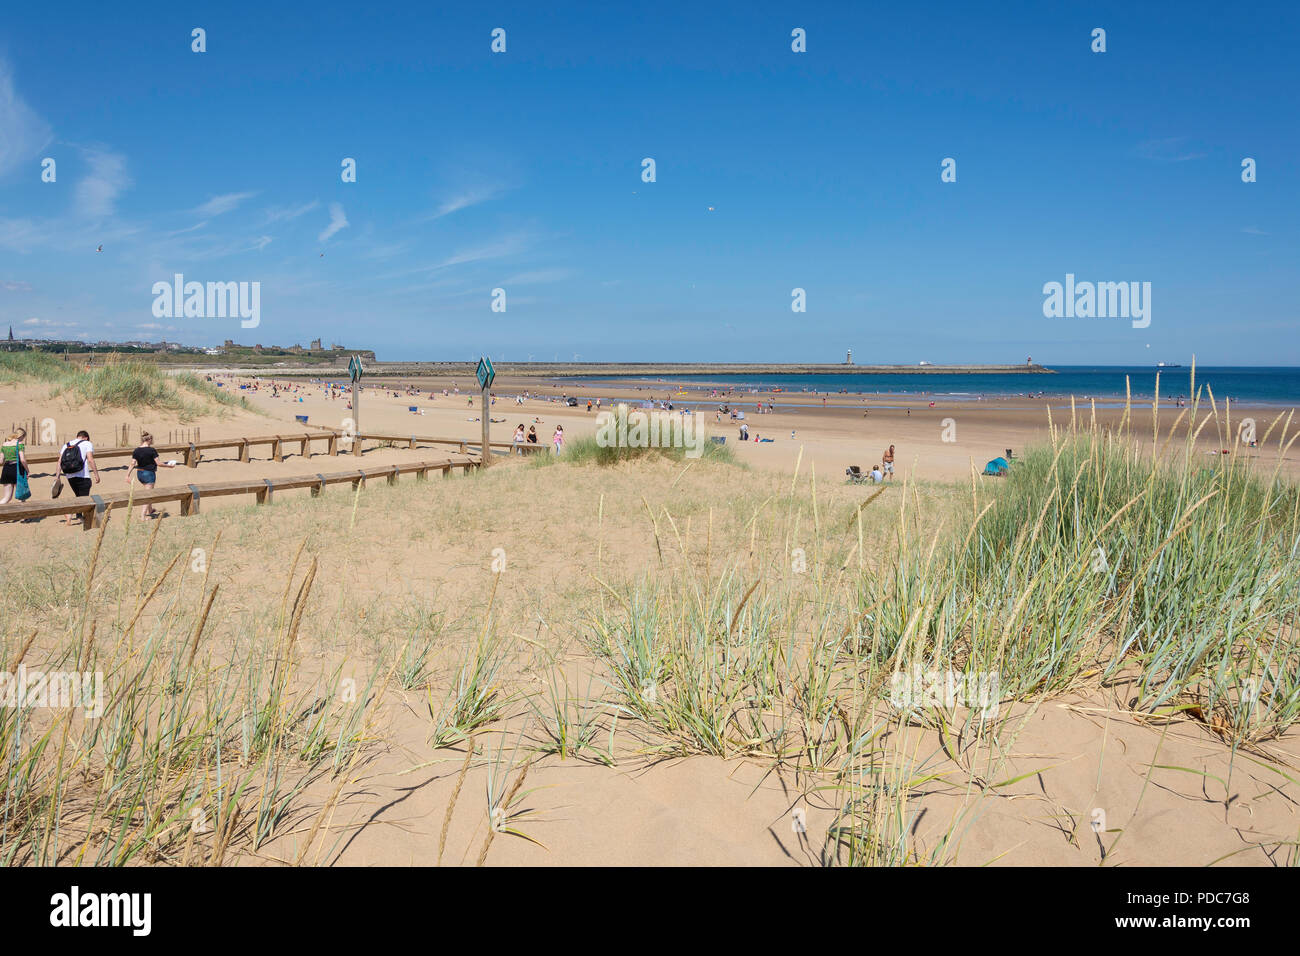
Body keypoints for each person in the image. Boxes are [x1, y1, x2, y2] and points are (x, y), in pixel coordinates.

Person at [126, 432, 177, 519]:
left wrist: (127, 475)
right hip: (149, 474)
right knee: (148, 495)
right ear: (149, 440)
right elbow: (158, 463)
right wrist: (169, 466)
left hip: (140, 474)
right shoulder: (152, 450)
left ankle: (150, 510)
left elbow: (132, 463)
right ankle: (143, 517)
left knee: (147, 492)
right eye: (151, 439)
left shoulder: (136, 450)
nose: (152, 441)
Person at [60, 430, 100, 525]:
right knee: (84, 498)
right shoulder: (87, 443)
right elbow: (90, 459)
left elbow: (59, 462)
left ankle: (79, 516)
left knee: (79, 496)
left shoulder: (66, 445)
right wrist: (96, 474)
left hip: (69, 475)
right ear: (86, 437)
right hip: (82, 475)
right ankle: (70, 513)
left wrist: (57, 476)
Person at [0, 431, 29, 505]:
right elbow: (22, 460)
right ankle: (22, 515)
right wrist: (27, 470)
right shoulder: (20, 445)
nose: (23, 439)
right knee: (21, 497)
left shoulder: (4, 444)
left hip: (6, 469)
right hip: (17, 469)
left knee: (6, 498)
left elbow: (1, 461)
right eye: (23, 437)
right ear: (21, 436)